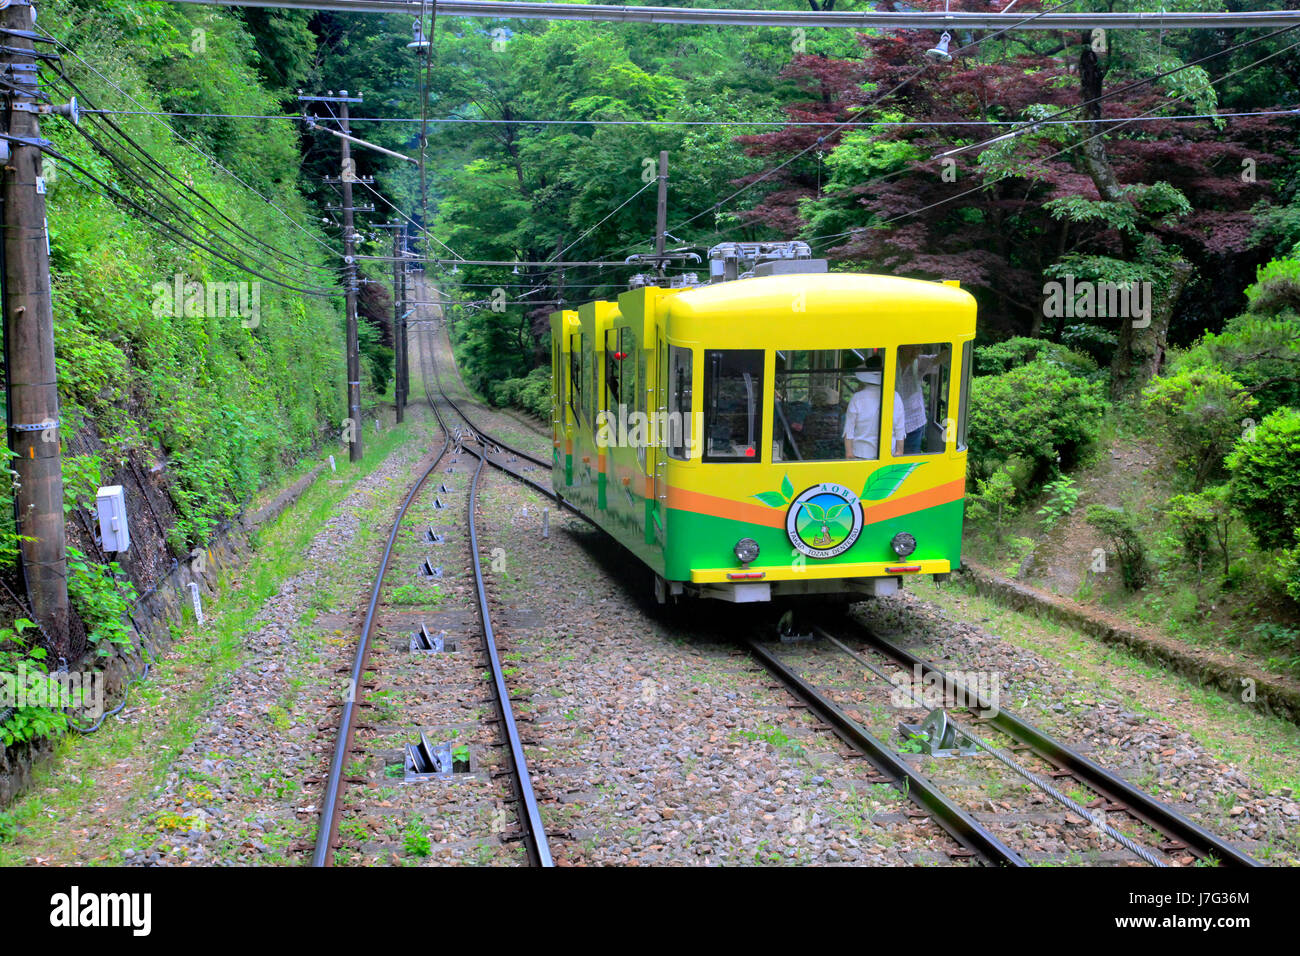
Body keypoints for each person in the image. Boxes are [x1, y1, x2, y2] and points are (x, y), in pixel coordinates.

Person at [843, 359, 905, 459]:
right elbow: (900, 429)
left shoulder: (857, 398)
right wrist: (899, 451)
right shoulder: (895, 396)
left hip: (860, 454)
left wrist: (849, 453)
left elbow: (848, 430)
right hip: (888, 454)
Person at [895, 344, 942, 455]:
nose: (917, 352)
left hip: (913, 422)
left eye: (919, 348)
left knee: (910, 463)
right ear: (901, 347)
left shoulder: (919, 362)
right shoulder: (889, 362)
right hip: (890, 424)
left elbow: (938, 359)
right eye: (913, 348)